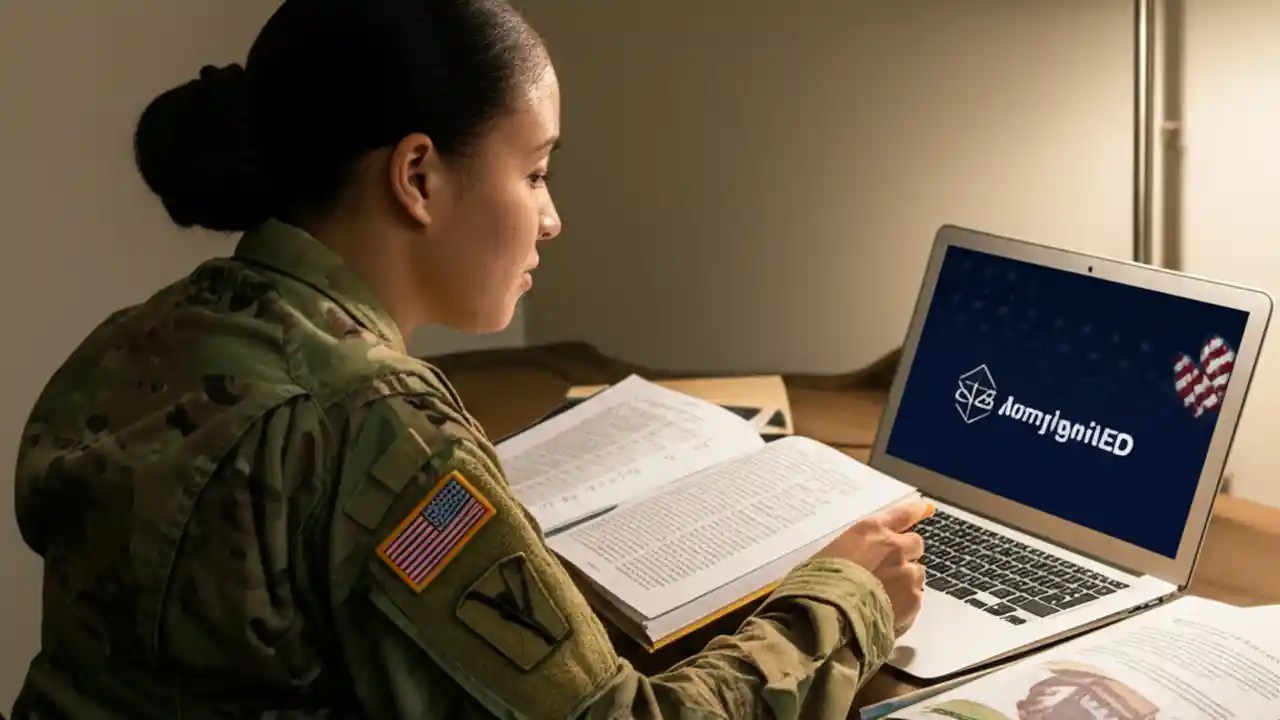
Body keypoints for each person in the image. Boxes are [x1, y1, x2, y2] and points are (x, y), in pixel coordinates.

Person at [10, 0, 931, 717]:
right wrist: (847, 597)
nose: (552, 216)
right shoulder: (371, 420)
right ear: (417, 177)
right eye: (534, 172)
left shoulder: (143, 336)